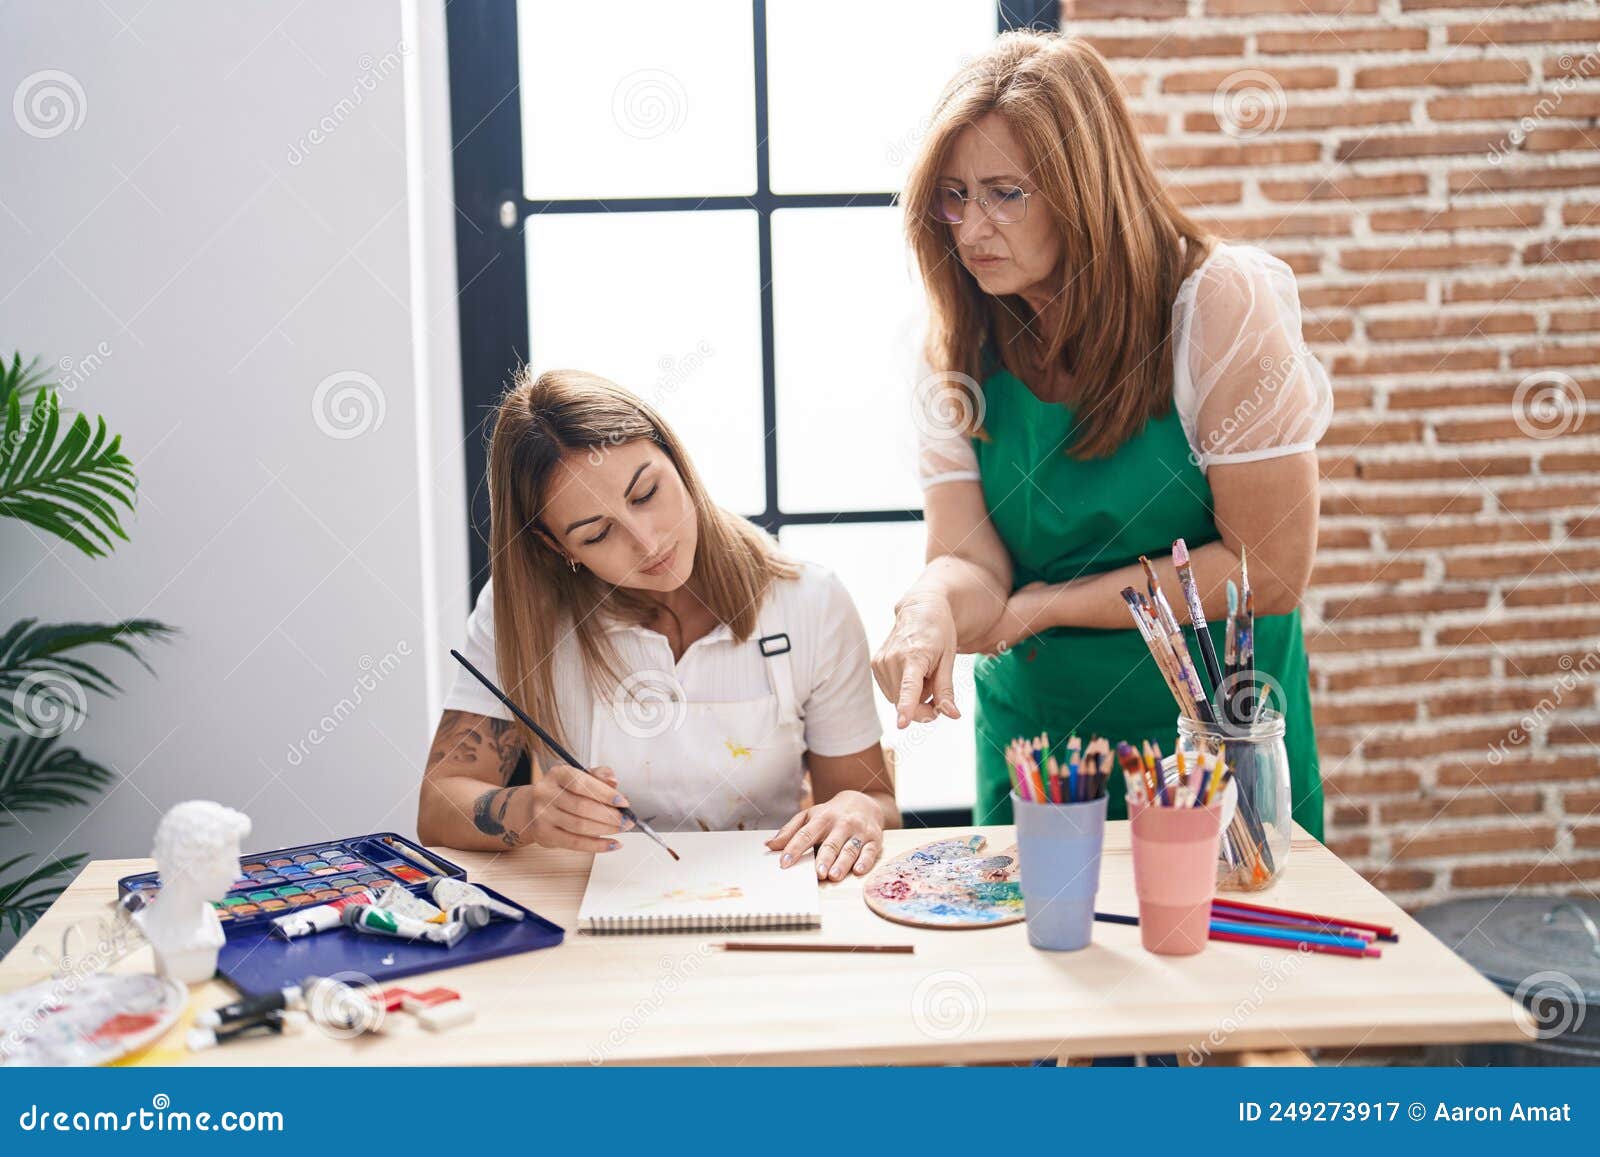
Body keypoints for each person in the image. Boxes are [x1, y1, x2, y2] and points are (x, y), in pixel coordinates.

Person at [873, 32, 1332, 837]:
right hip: (1041, 740)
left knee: (1222, 952)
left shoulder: (1216, 306)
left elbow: (1271, 570)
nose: (970, 227)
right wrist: (929, 607)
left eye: (1004, 192)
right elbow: (971, 559)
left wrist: (1049, 605)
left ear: (1085, 188)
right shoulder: (952, 342)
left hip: (1211, 737)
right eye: (952, 195)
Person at [418, 368, 899, 879]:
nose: (648, 543)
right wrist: (529, 812)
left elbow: (871, 798)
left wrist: (859, 809)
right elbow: (437, 805)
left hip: (767, 898)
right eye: (596, 533)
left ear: (675, 455)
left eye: (646, 493)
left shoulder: (810, 602)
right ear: (557, 547)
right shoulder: (522, 612)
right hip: (594, 914)